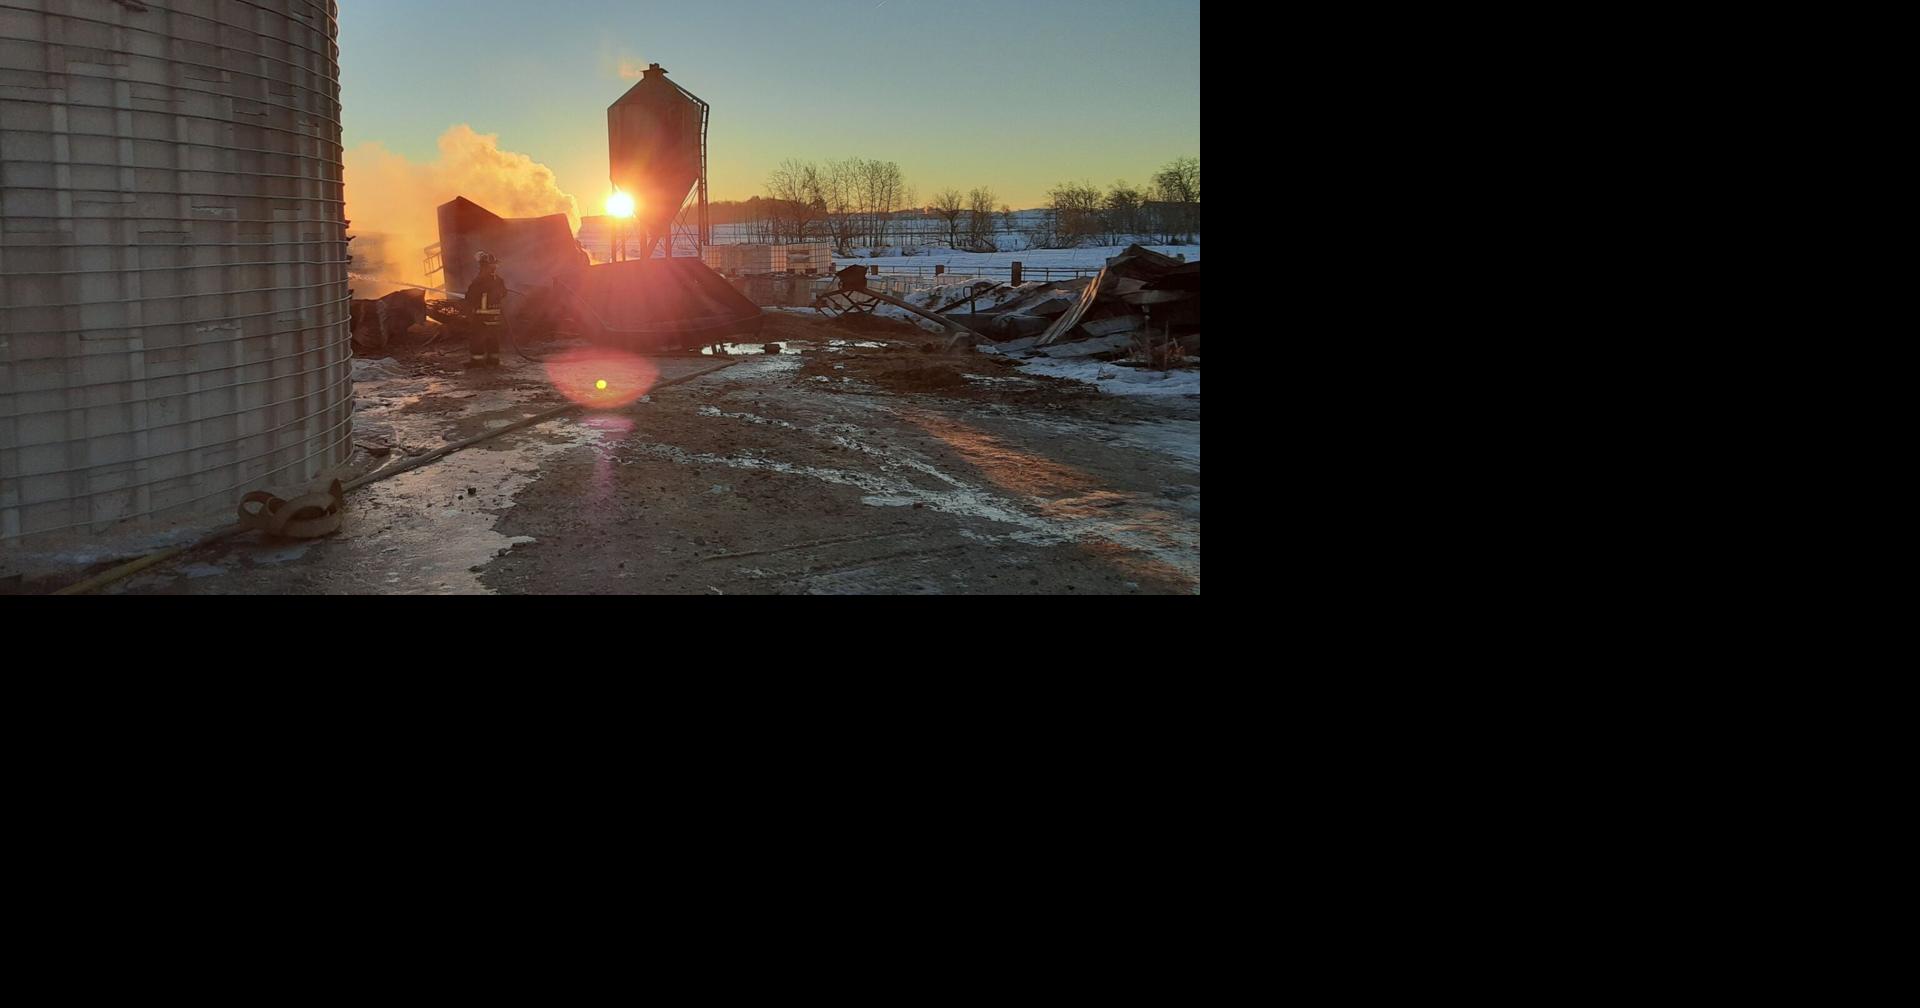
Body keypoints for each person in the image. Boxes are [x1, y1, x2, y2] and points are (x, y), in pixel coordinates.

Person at [465, 251, 508, 368]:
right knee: (493, 337)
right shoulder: (499, 280)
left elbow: (471, 296)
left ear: (483, 266)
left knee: (477, 338)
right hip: (495, 316)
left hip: (481, 316)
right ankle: (493, 360)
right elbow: (504, 293)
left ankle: (477, 361)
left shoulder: (479, 281)